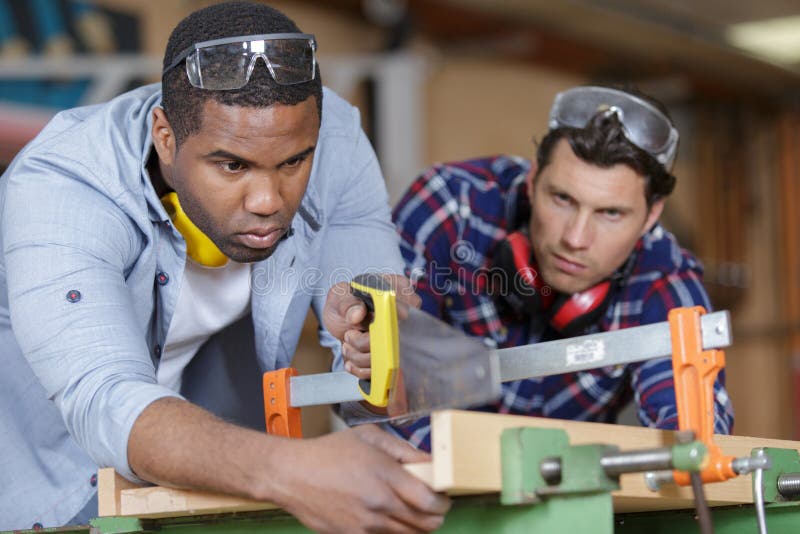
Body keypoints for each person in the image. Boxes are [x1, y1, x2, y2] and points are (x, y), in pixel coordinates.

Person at [0, 2, 449, 531]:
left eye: (292, 163)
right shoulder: (63, 186)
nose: (267, 200)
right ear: (165, 137)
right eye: (232, 164)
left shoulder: (335, 140)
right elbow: (106, 401)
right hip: (39, 481)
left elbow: (376, 365)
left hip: (208, 475)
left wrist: (372, 356)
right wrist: (292, 470)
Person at [341, 85, 735, 451]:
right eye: (562, 198)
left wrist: (691, 446)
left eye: (610, 213)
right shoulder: (453, 208)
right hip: (427, 483)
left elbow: (694, 433)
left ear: (651, 216)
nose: (576, 238)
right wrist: (467, 477)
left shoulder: (663, 277)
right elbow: (375, 382)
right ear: (532, 181)